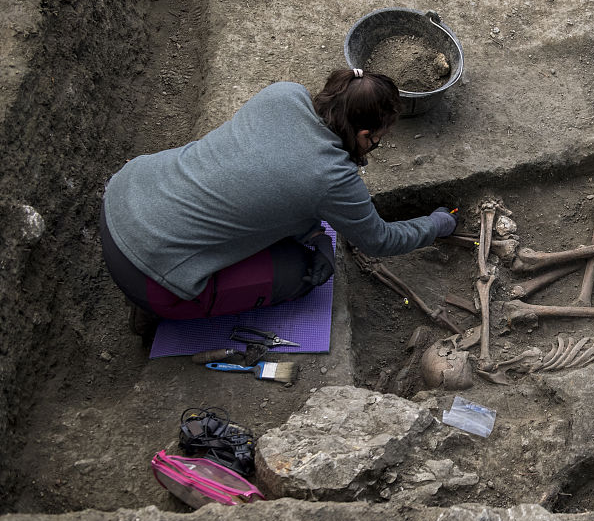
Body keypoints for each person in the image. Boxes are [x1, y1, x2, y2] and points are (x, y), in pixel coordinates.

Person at [101, 68, 459, 333]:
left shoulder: (284, 94)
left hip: (125, 192)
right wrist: (436, 224)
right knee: (302, 272)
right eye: (378, 139)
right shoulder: (333, 177)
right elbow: (381, 240)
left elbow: (262, 178)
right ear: (365, 136)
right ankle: (157, 312)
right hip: (149, 274)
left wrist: (313, 233)